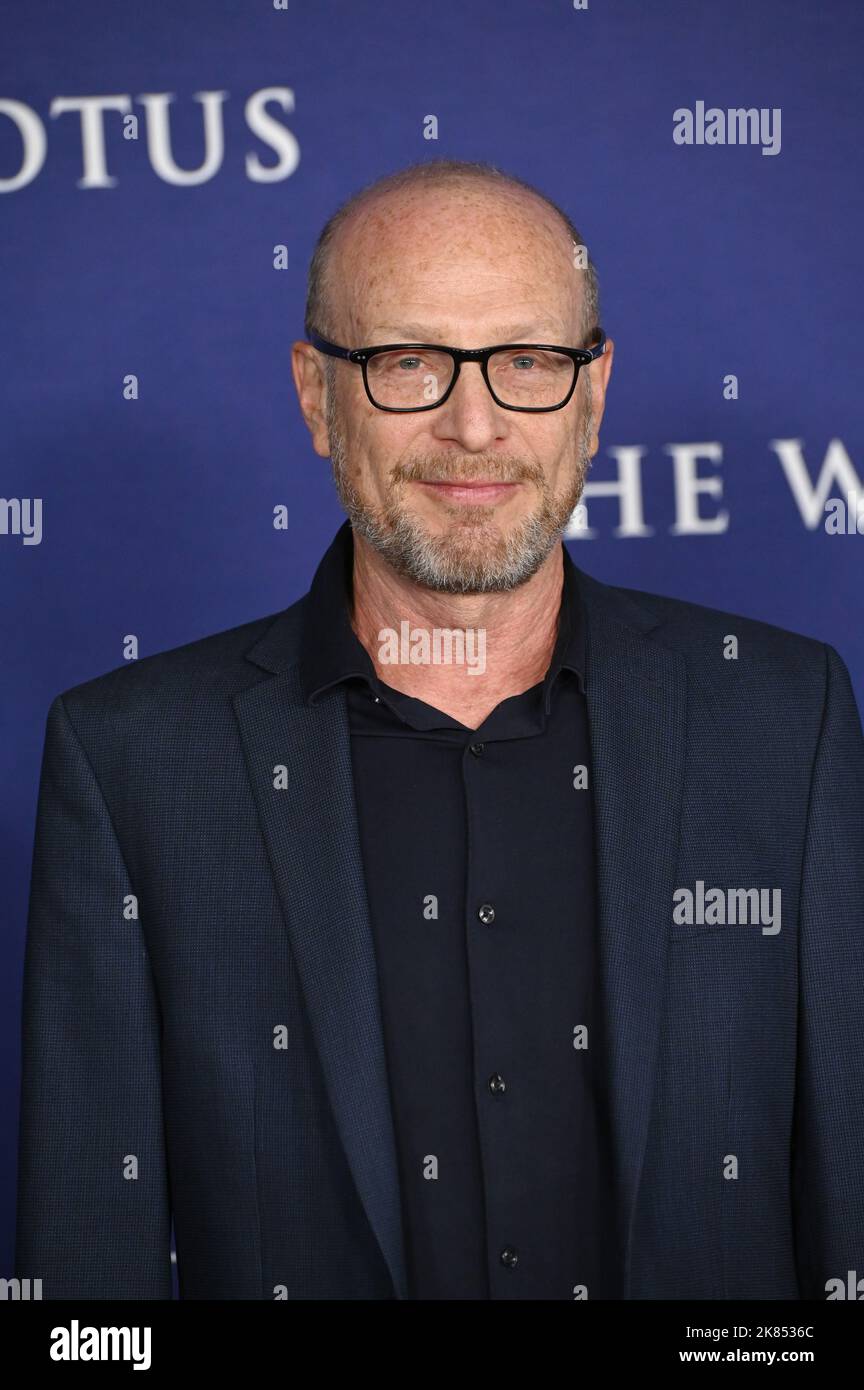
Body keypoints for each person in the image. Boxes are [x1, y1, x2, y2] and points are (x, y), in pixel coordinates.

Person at [16, 159, 864, 1300]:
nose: (474, 426)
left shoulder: (784, 719)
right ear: (317, 396)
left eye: (528, 362)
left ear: (595, 392)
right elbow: (86, 1281)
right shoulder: (130, 762)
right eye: (408, 362)